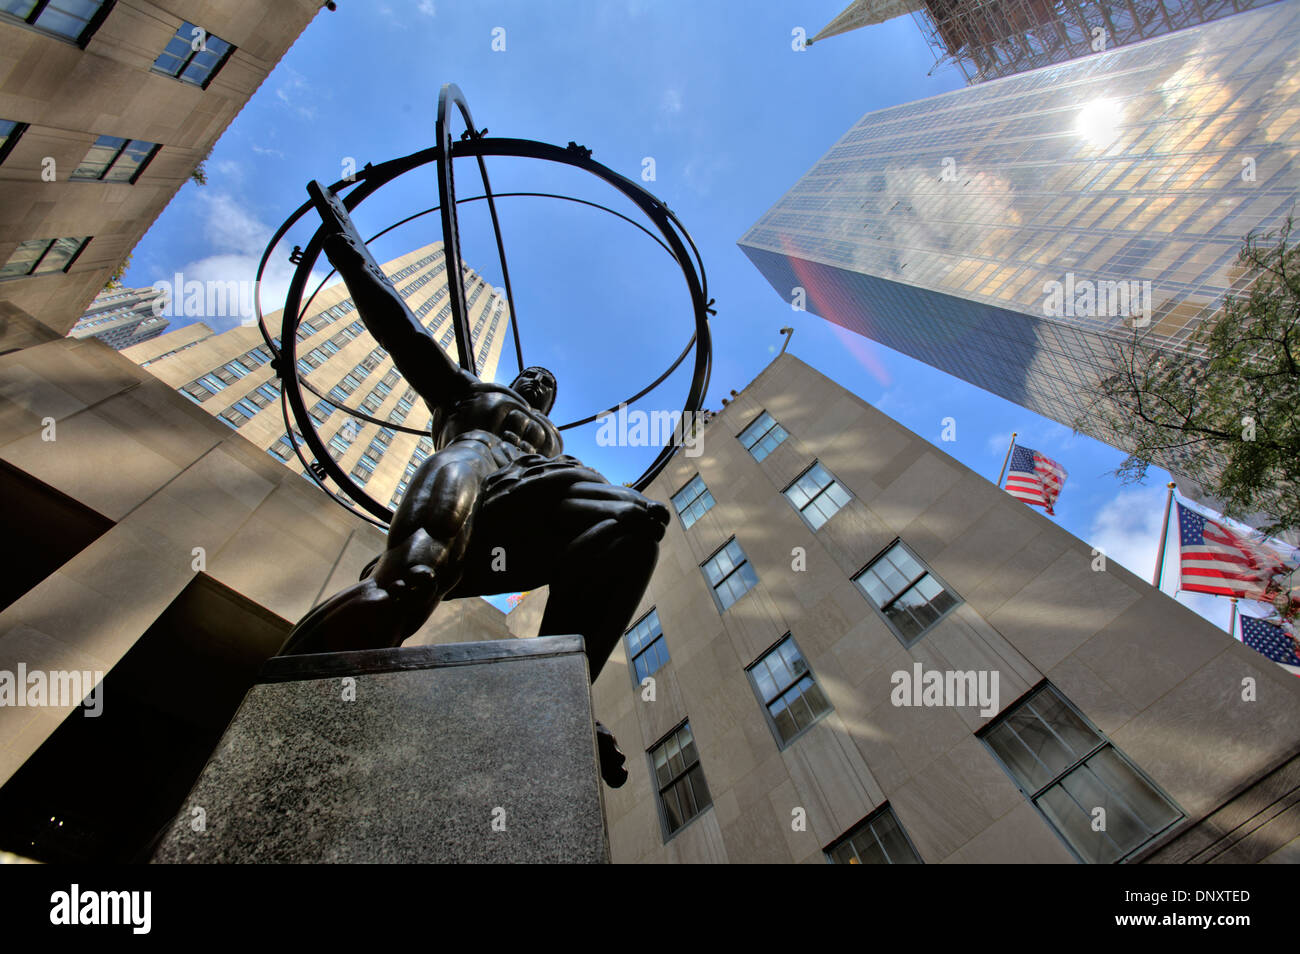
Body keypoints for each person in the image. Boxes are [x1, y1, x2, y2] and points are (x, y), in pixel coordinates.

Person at [278, 182, 670, 785]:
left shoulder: (554, 442)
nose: (539, 380)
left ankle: (554, 690)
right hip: (466, 472)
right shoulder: (471, 393)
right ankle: (276, 710)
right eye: (531, 373)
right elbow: (402, 330)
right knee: (408, 586)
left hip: (535, 493)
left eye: (548, 381)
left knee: (634, 521)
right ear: (514, 377)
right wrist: (345, 245)